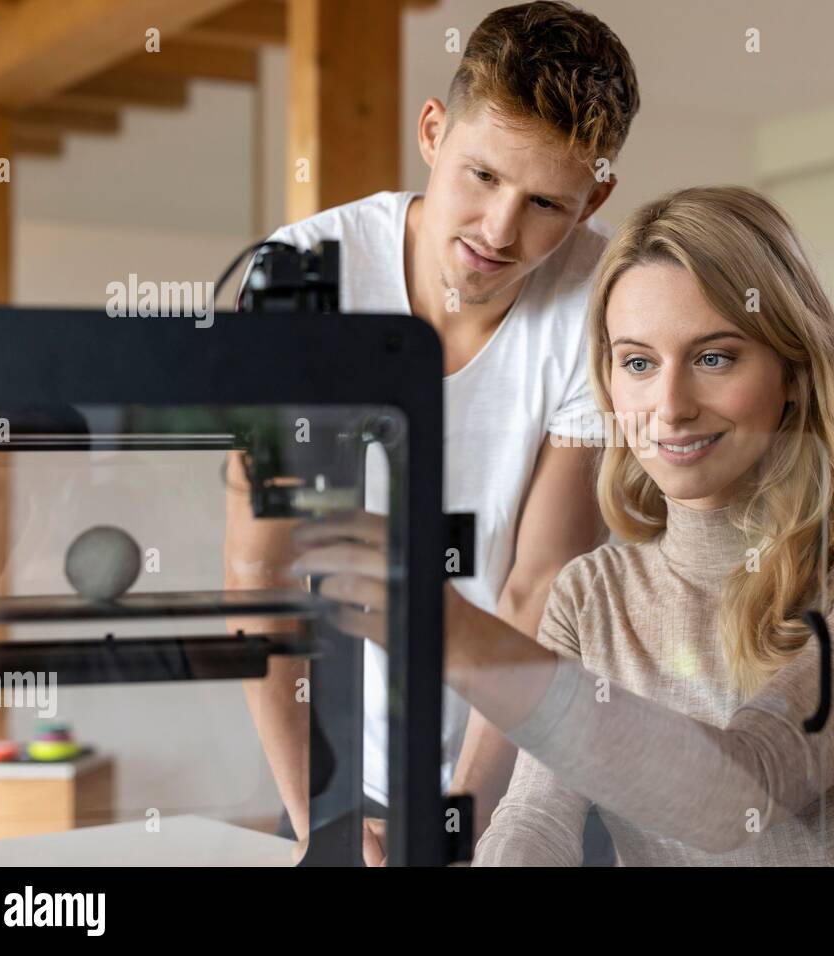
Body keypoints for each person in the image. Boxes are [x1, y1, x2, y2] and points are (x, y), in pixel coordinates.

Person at [293, 185, 834, 865]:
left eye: (714, 357)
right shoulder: (592, 596)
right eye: (639, 363)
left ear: (793, 371)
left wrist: (460, 639)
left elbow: (746, 789)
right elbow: (536, 820)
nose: (669, 406)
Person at [228, 1, 639, 862]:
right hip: (336, 774)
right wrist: (329, 828)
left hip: (533, 768)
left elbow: (539, 591)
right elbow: (259, 574)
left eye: (544, 204)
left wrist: (457, 823)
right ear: (432, 132)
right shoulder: (303, 276)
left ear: (595, 193)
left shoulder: (599, 299)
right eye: (482, 176)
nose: (498, 232)